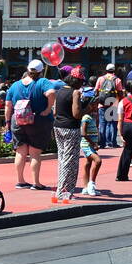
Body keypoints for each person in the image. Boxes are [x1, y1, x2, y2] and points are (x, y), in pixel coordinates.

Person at [4, 60, 58, 190]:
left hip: (17, 121)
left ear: (28, 70)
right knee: (35, 153)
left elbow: (8, 105)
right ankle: (36, 183)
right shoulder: (42, 82)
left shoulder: (15, 85)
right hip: (37, 121)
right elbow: (51, 93)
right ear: (40, 71)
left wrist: (7, 122)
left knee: (20, 151)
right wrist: (48, 109)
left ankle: (20, 181)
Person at [52, 66, 92, 202]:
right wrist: (88, 109)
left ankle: (60, 190)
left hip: (58, 126)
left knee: (62, 159)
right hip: (70, 128)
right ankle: (65, 192)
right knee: (70, 161)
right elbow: (76, 114)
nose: (82, 84)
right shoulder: (75, 93)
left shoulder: (60, 91)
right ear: (76, 80)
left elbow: (55, 112)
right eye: (81, 81)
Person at [81, 86, 104, 195]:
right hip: (87, 145)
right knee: (98, 161)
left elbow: (97, 126)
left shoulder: (93, 116)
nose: (97, 106)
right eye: (95, 104)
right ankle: (91, 184)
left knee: (88, 163)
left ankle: (85, 187)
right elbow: (83, 133)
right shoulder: (86, 117)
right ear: (90, 105)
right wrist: (93, 143)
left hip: (90, 144)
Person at [97, 64, 121, 148]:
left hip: (102, 104)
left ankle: (102, 144)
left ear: (106, 70)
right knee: (112, 124)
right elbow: (120, 93)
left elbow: (96, 91)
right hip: (113, 104)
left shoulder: (100, 79)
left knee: (102, 124)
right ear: (114, 71)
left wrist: (100, 100)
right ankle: (113, 143)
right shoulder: (117, 80)